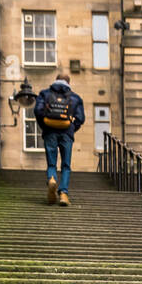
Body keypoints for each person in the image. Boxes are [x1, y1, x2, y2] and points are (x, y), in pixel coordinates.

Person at [33, 75, 85, 206]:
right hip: (67, 133)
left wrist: (45, 125)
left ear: (55, 80)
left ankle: (52, 179)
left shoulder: (45, 93)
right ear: (68, 82)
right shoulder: (75, 97)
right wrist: (71, 128)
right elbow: (80, 118)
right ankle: (63, 193)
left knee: (51, 164)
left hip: (49, 131)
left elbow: (37, 111)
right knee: (66, 165)